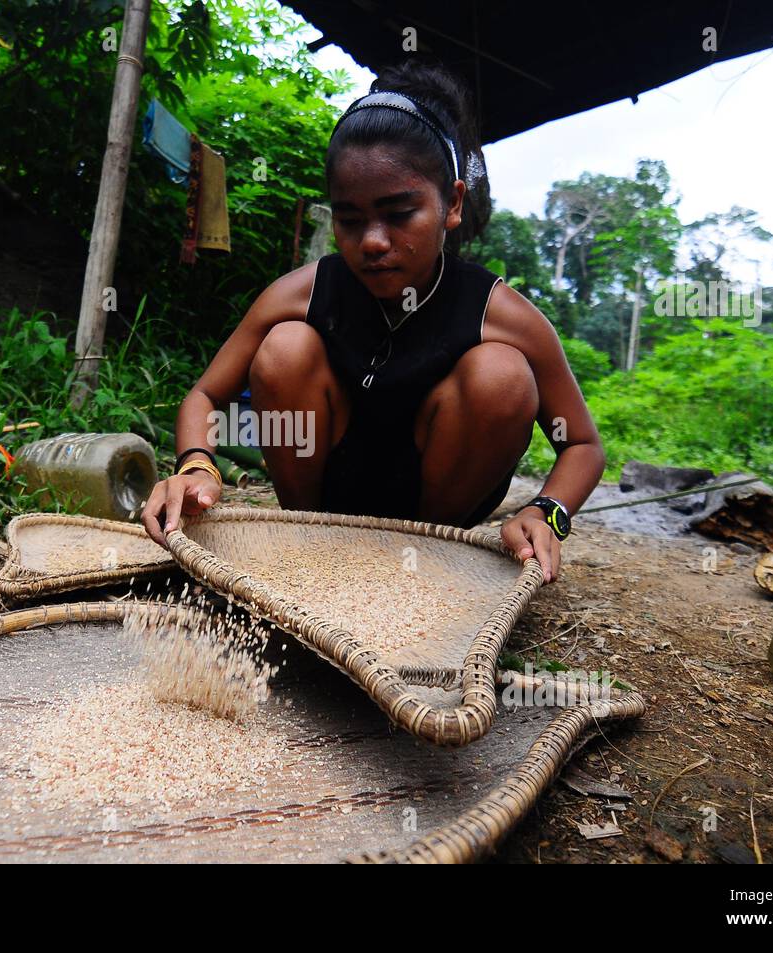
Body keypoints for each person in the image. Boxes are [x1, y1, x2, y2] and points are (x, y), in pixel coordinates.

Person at [141, 60, 606, 583]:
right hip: (325, 501)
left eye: (399, 213)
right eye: (351, 219)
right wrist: (196, 464)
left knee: (502, 373)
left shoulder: (498, 313)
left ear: (451, 203)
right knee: (285, 347)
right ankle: (306, 536)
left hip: (433, 520)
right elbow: (205, 396)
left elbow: (583, 445)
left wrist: (548, 512)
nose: (373, 242)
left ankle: (422, 557)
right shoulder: (306, 292)